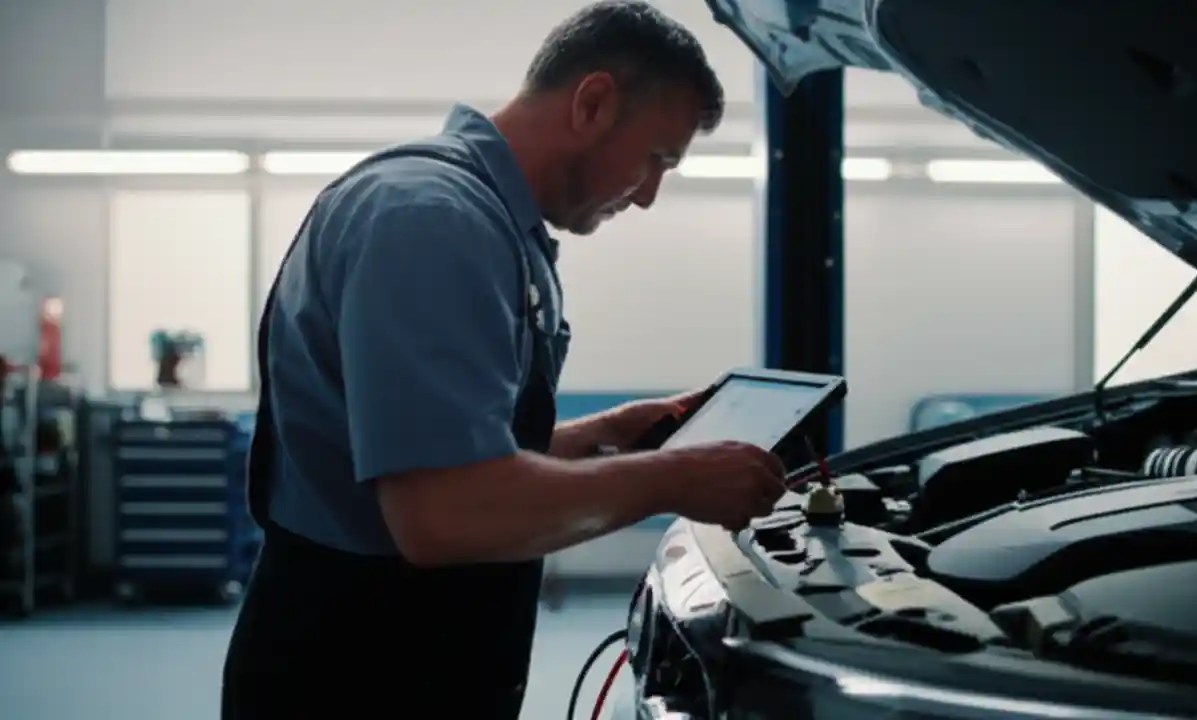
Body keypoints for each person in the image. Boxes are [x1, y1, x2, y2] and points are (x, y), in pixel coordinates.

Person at [221, 1, 787, 717]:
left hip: (402, 651)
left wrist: (598, 439)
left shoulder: (482, 222)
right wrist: (671, 479)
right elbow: (443, 513)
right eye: (655, 160)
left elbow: (428, 452)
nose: (646, 196)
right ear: (593, 102)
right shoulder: (432, 220)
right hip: (358, 671)